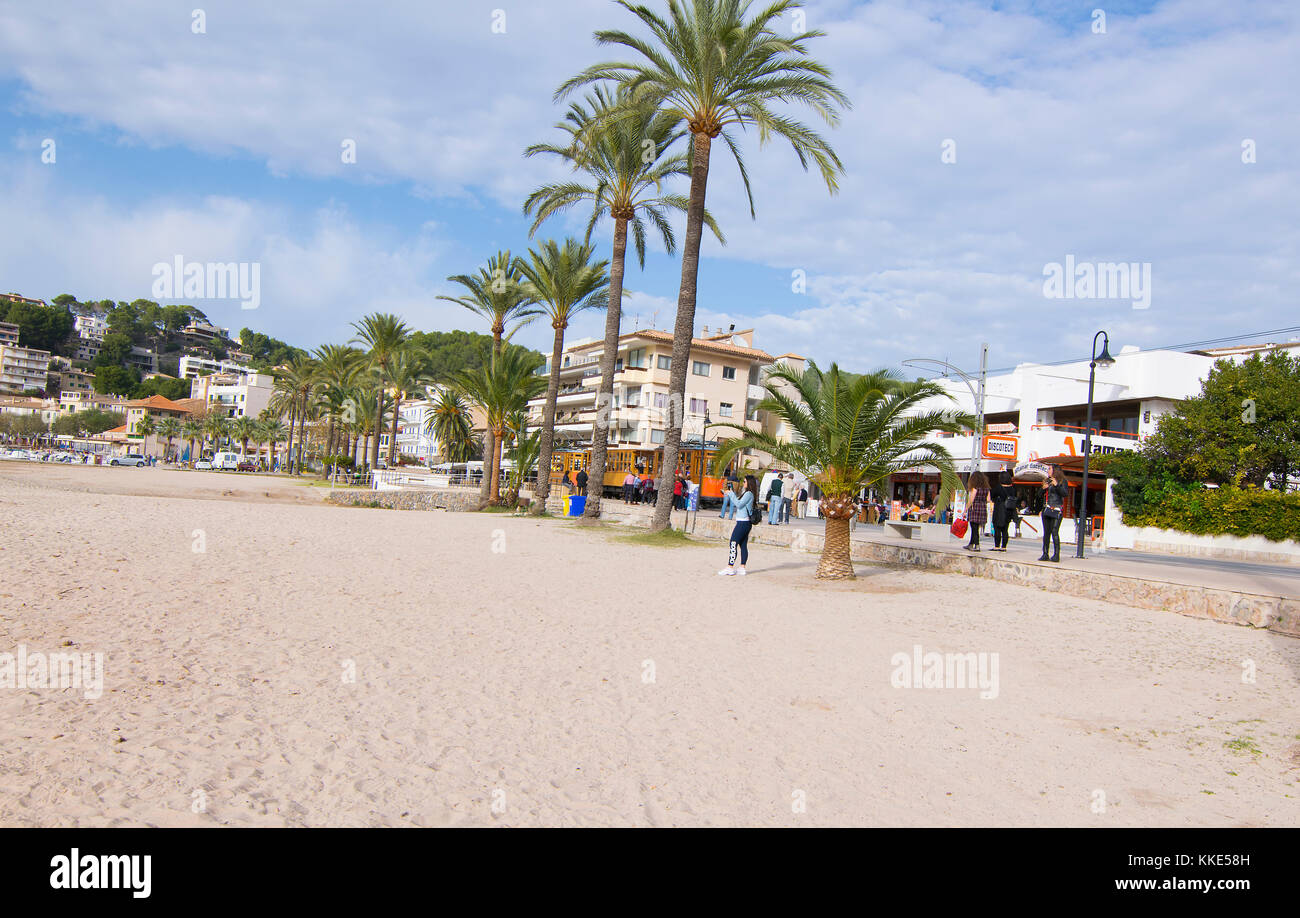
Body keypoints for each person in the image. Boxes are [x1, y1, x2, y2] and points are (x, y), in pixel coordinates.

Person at [719, 475, 760, 576]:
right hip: (745, 522)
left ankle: (730, 567)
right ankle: (742, 567)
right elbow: (739, 502)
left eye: (745, 481)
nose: (743, 483)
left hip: (743, 523)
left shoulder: (748, 494)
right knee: (743, 545)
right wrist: (728, 493)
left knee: (733, 543)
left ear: (749, 483)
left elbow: (739, 504)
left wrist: (731, 494)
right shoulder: (748, 494)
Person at [1039, 466, 1068, 562]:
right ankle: (1045, 553)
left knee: (1054, 531)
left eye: (1049, 469)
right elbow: (1039, 495)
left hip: (1057, 509)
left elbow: (1064, 494)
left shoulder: (1062, 481)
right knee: (1046, 532)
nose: (1048, 471)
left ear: (1055, 470)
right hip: (1047, 508)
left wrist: (1057, 485)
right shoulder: (1047, 481)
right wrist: (1043, 488)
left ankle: (1056, 555)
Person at [990, 469, 1015, 552]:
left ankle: (997, 546)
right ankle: (1004, 546)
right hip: (1008, 510)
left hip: (999, 509)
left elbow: (992, 495)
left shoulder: (998, 487)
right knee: (1005, 529)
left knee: (997, 528)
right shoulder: (1012, 488)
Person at [964, 471, 990, 551]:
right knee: (976, 527)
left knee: (974, 527)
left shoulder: (974, 488)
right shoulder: (987, 489)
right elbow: (988, 499)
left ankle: (977, 545)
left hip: (975, 508)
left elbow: (971, 499)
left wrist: (966, 509)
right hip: (982, 508)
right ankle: (971, 544)